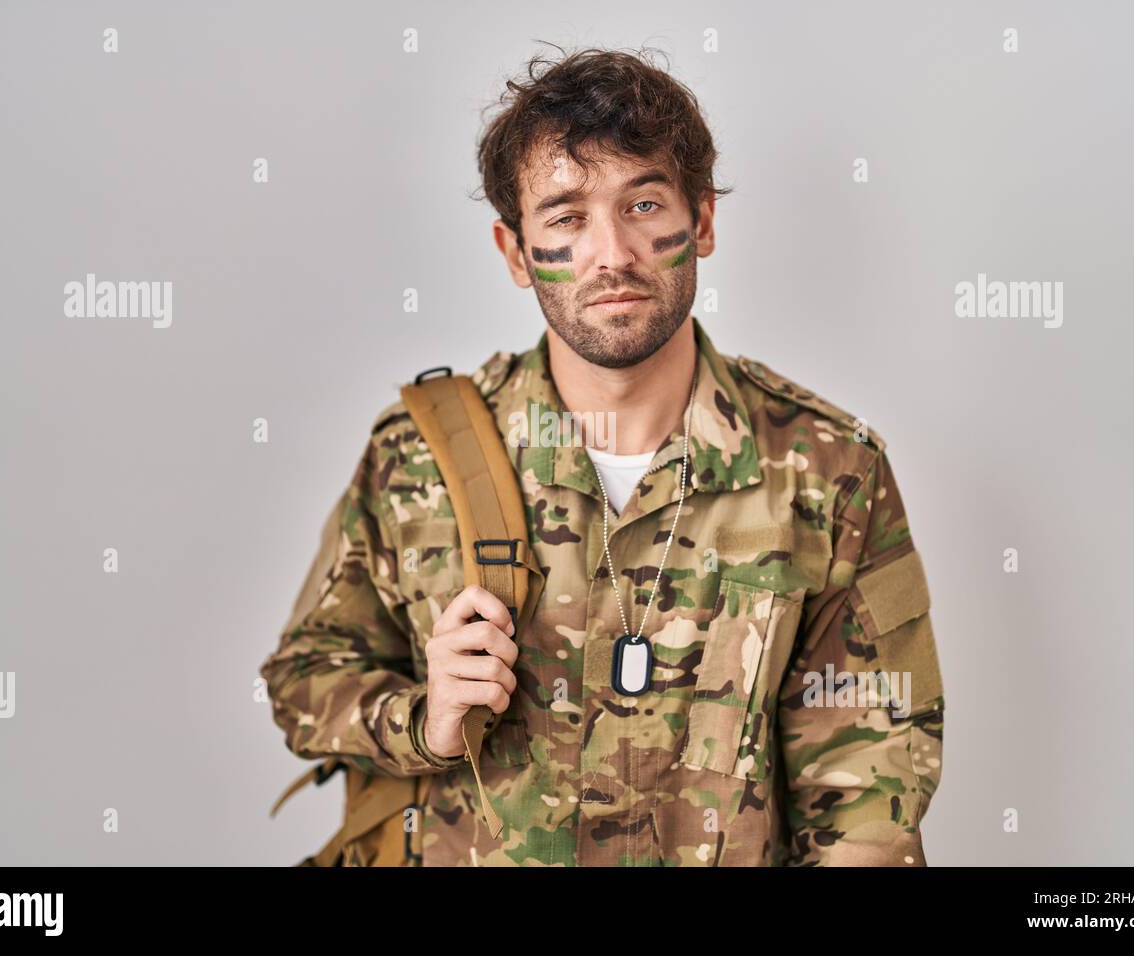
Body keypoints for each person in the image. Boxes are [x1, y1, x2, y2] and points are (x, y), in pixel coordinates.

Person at [259, 45, 944, 866]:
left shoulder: (830, 471)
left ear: (703, 224)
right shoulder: (417, 461)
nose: (611, 254)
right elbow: (304, 680)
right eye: (566, 217)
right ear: (516, 253)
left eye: (644, 204)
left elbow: (869, 787)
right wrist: (424, 717)